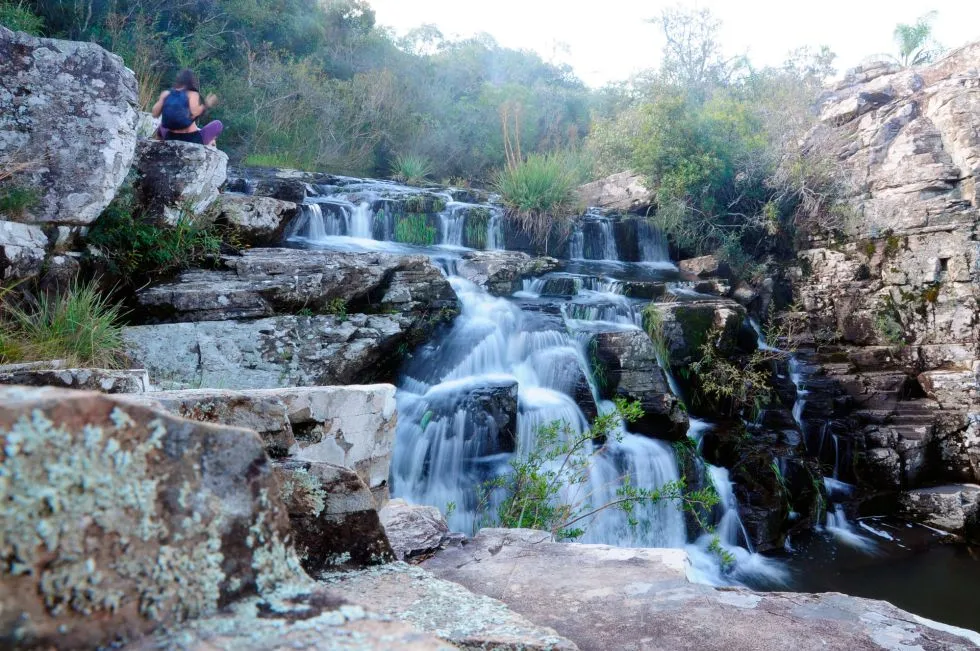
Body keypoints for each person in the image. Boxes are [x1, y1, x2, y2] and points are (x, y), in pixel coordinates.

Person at [151, 69, 223, 146]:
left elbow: (154, 114)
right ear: (192, 82)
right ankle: (209, 143)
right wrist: (206, 104)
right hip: (192, 140)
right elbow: (195, 112)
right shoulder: (192, 94)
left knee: (161, 126)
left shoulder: (166, 94)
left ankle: (157, 145)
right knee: (218, 124)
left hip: (170, 137)